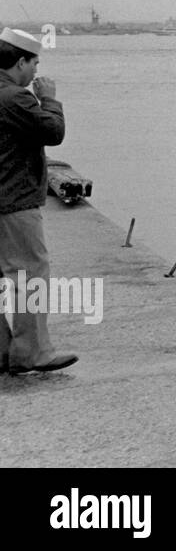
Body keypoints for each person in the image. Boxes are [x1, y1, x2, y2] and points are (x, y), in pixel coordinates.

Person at [0, 28, 78, 374]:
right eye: (34, 63)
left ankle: (4, 351)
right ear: (20, 62)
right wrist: (49, 98)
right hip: (15, 201)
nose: (35, 73)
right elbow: (53, 133)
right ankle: (32, 353)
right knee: (31, 275)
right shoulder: (16, 98)